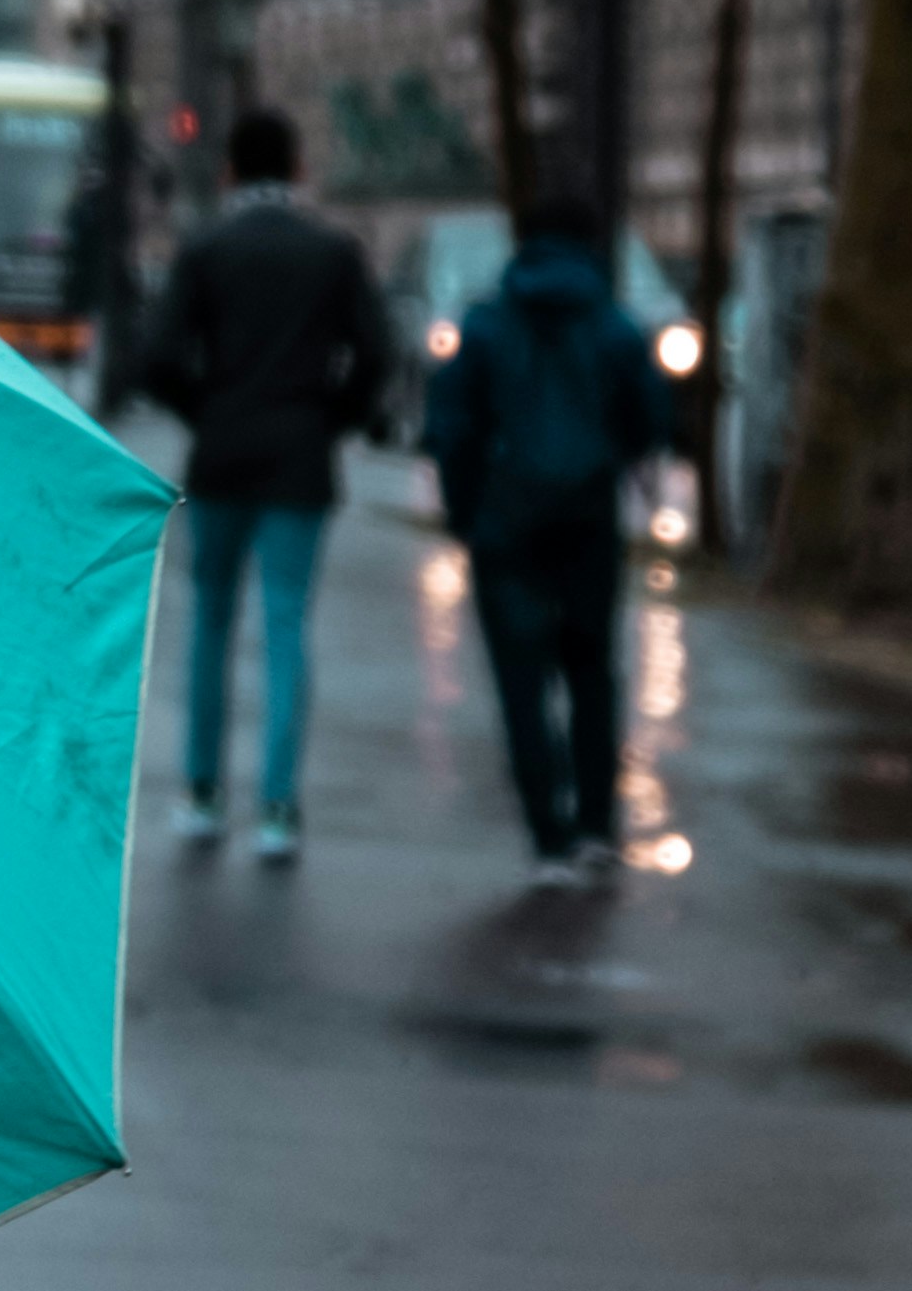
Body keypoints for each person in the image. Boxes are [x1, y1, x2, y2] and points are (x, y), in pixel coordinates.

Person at [139, 99, 394, 861]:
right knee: (285, 627)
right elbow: (378, 358)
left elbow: (155, 358)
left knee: (210, 626)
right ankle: (278, 807)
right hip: (298, 463)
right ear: (299, 170)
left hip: (219, 458)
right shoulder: (333, 252)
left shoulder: (204, 249)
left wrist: (206, 410)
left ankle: (202, 793)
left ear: (228, 172)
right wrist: (327, 421)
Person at [428, 191, 672, 878]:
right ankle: (596, 823)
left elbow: (451, 427)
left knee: (520, 680)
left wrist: (463, 511)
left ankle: (548, 833)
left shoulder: (487, 324)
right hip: (589, 516)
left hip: (505, 521)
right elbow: (650, 413)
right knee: (592, 671)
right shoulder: (613, 324)